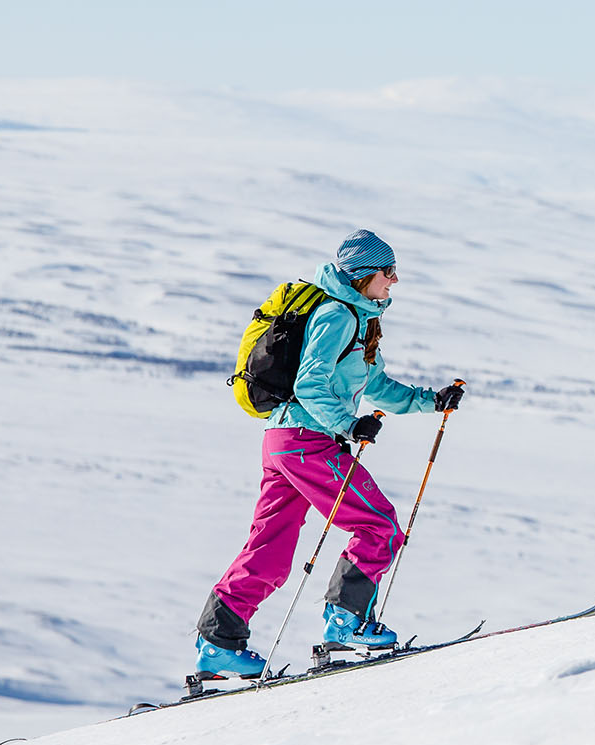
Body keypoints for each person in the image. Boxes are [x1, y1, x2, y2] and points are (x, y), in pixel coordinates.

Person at [193, 230, 465, 678]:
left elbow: (375, 385)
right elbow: (309, 383)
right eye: (388, 271)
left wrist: (430, 401)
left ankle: (217, 644)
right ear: (363, 274)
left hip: (286, 442)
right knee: (378, 524)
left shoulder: (358, 317)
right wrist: (347, 424)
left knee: (271, 546)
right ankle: (346, 623)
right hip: (306, 441)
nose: (394, 280)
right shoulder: (336, 315)